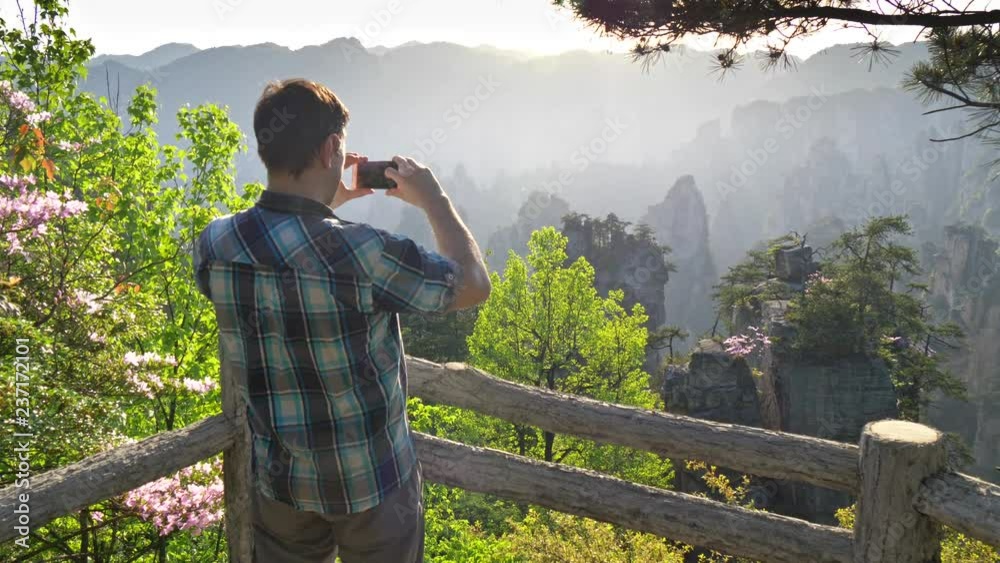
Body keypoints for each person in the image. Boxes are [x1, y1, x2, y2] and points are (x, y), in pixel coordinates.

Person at [192, 78, 491, 563]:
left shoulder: (216, 244)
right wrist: (434, 198)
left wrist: (326, 205)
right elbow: (473, 285)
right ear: (332, 147)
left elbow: (287, 253)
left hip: (282, 485)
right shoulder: (364, 252)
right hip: (373, 487)